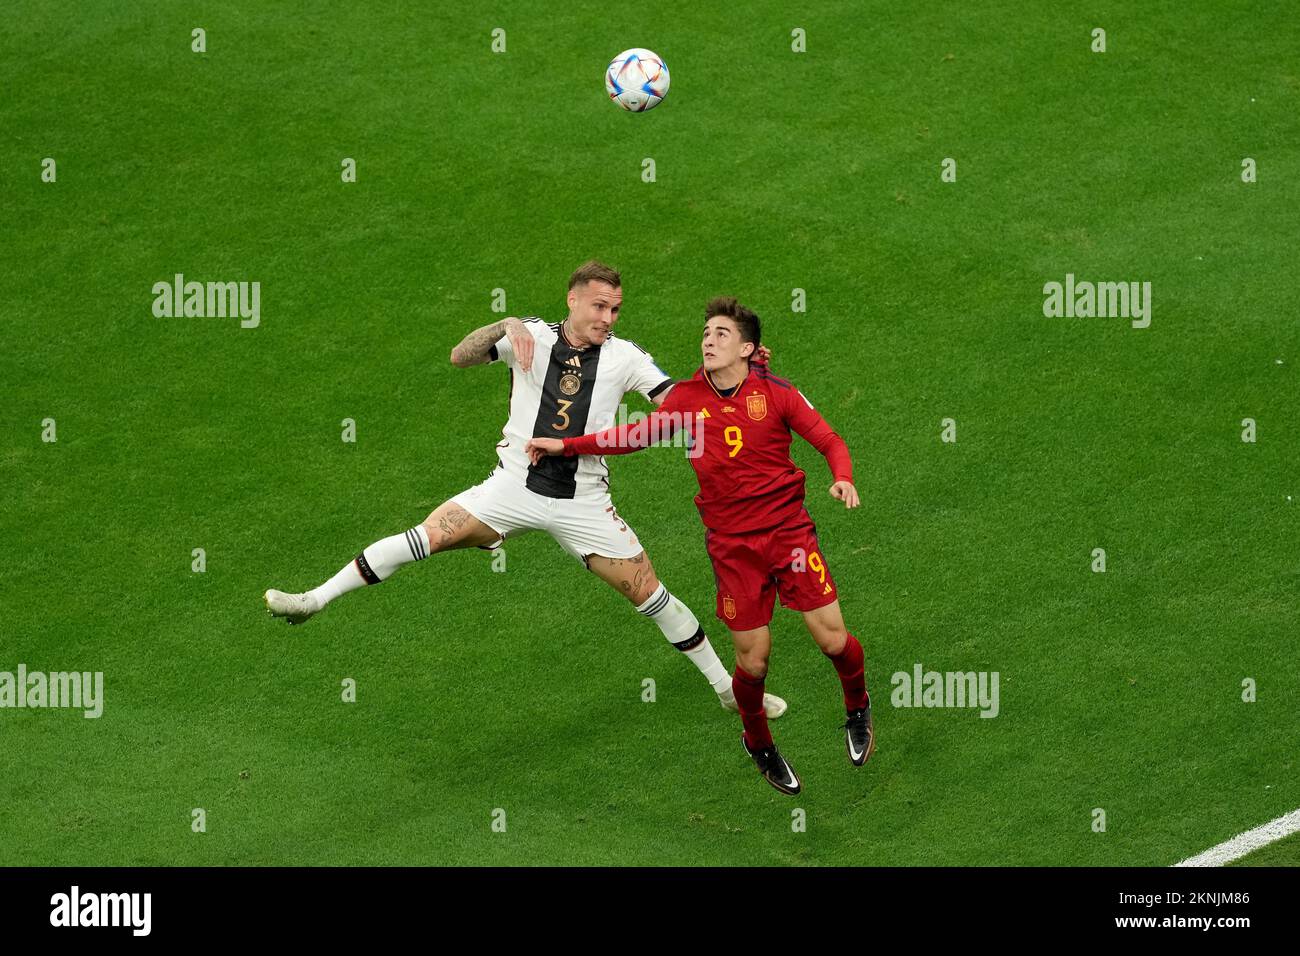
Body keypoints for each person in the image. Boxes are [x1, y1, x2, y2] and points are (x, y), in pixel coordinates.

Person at [264, 263, 785, 720]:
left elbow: (679, 404)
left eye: (616, 309)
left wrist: (740, 372)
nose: (609, 318)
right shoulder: (529, 337)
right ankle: (313, 599)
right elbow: (460, 357)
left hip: (582, 501)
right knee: (430, 535)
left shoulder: (625, 357)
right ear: (573, 300)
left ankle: (729, 692)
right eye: (600, 306)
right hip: (512, 486)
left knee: (649, 593)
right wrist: (504, 323)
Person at [526, 296, 871, 795]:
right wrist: (568, 445)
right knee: (754, 661)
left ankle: (857, 708)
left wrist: (842, 477)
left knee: (833, 640)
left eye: (722, 334)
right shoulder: (688, 399)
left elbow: (830, 440)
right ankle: (759, 743)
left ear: (748, 348)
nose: (709, 340)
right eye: (706, 332)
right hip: (733, 547)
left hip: (789, 534)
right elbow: (634, 435)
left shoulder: (776, 392)